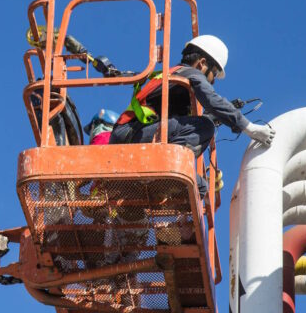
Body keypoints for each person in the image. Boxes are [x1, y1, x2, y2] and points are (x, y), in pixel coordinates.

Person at [109, 34, 275, 197]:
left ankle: (151, 190)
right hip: (131, 135)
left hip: (135, 135)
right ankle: (167, 168)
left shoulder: (175, 78)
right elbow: (211, 99)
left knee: (201, 187)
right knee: (204, 127)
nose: (214, 81)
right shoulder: (189, 73)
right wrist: (249, 127)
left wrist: (218, 117)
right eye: (214, 73)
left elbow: (178, 123)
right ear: (202, 64)